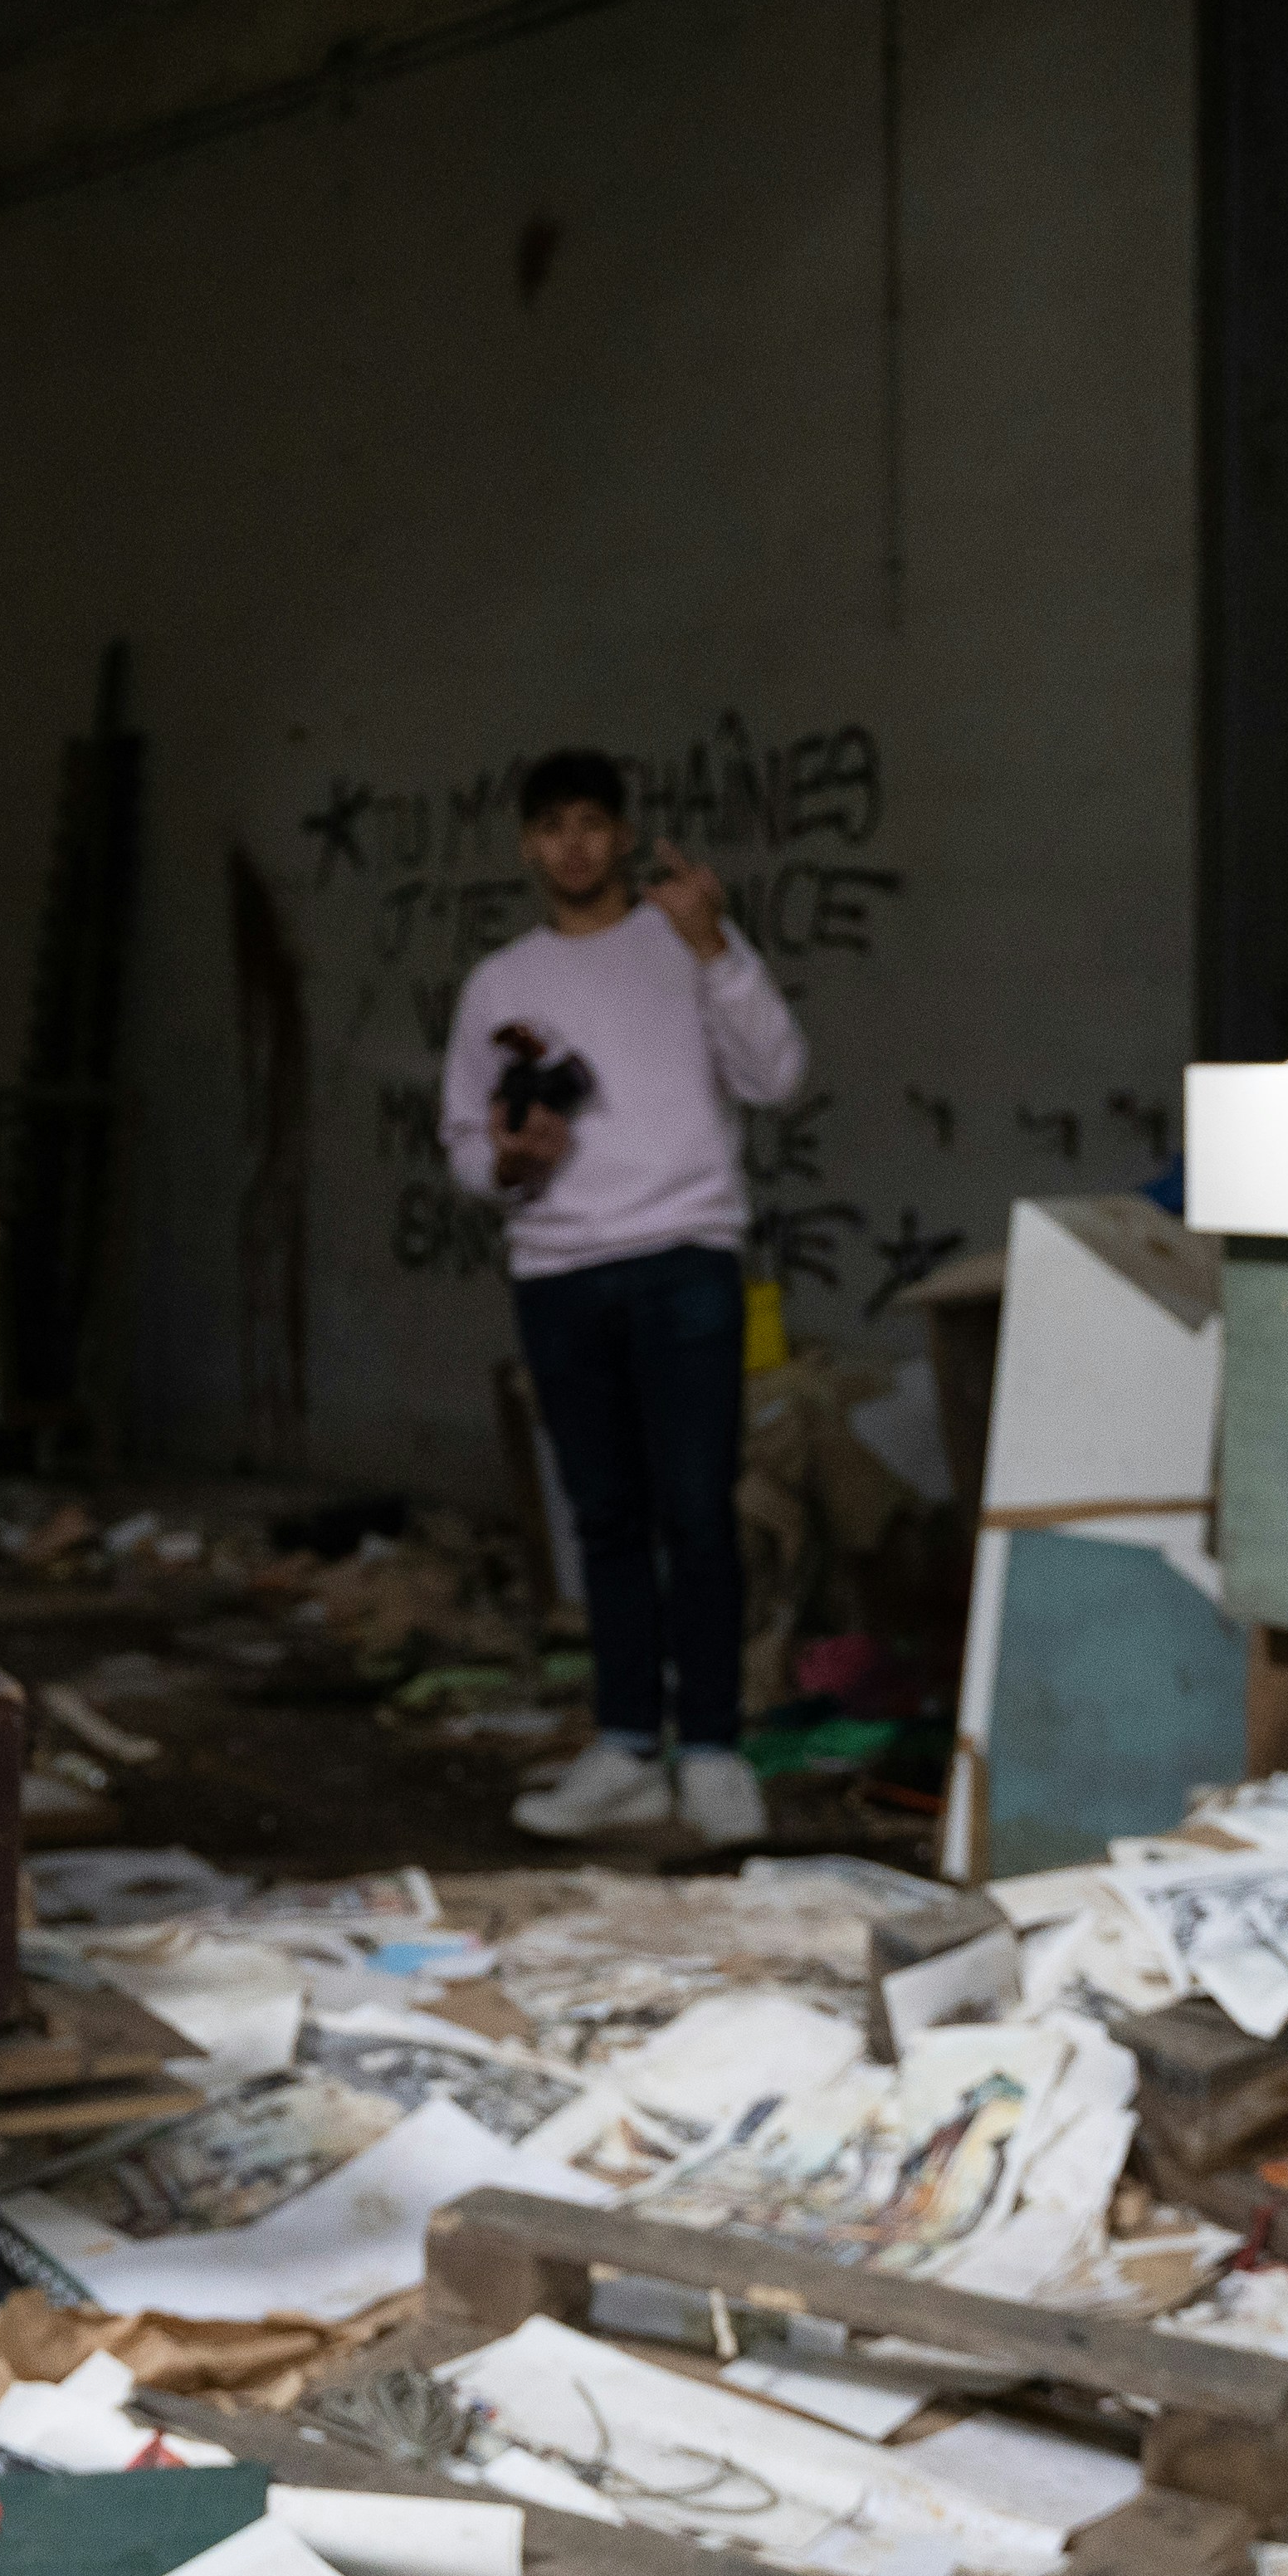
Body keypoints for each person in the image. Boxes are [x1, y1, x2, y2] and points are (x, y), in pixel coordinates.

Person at [442, 746, 811, 1845]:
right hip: (557, 1270)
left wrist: (716, 947)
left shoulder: (685, 943)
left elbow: (779, 1075)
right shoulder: (500, 982)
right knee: (604, 1518)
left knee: (697, 1511)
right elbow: (464, 1141)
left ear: (623, 834)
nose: (574, 846)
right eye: (552, 826)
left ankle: (713, 1749)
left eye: (592, 823)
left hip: (685, 1255)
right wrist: (508, 1161)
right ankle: (626, 1748)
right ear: (527, 846)